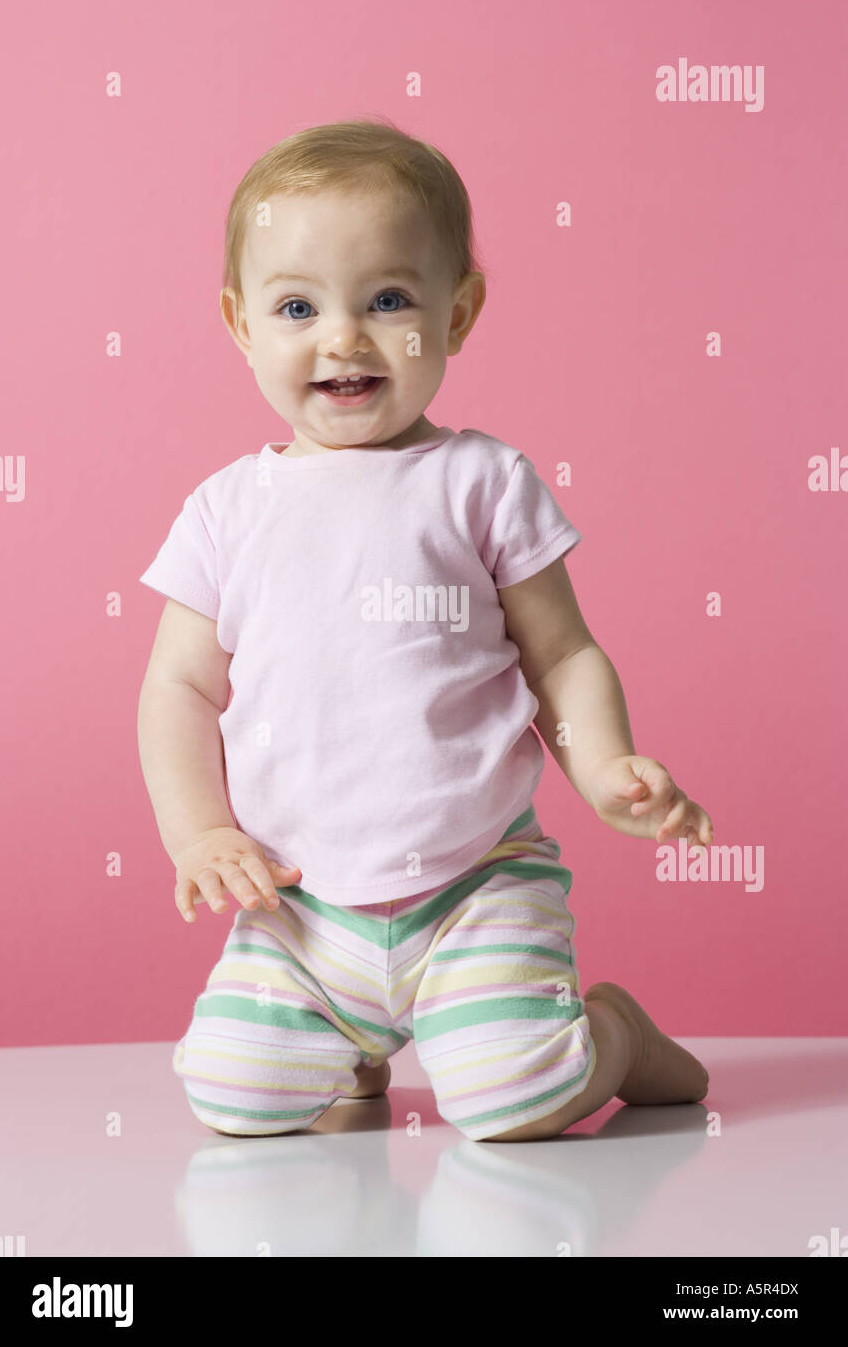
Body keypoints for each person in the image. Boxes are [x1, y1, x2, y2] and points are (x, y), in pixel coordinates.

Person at [137, 117, 712, 1142]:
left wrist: (605, 765)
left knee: (515, 1104)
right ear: (241, 324)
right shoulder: (224, 510)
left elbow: (561, 654)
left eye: (389, 300)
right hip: (300, 903)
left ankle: (614, 1034)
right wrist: (201, 830)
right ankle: (348, 1050)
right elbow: (178, 688)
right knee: (231, 1096)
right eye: (296, 306)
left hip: (473, 882)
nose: (343, 337)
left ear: (458, 313)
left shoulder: (480, 482)